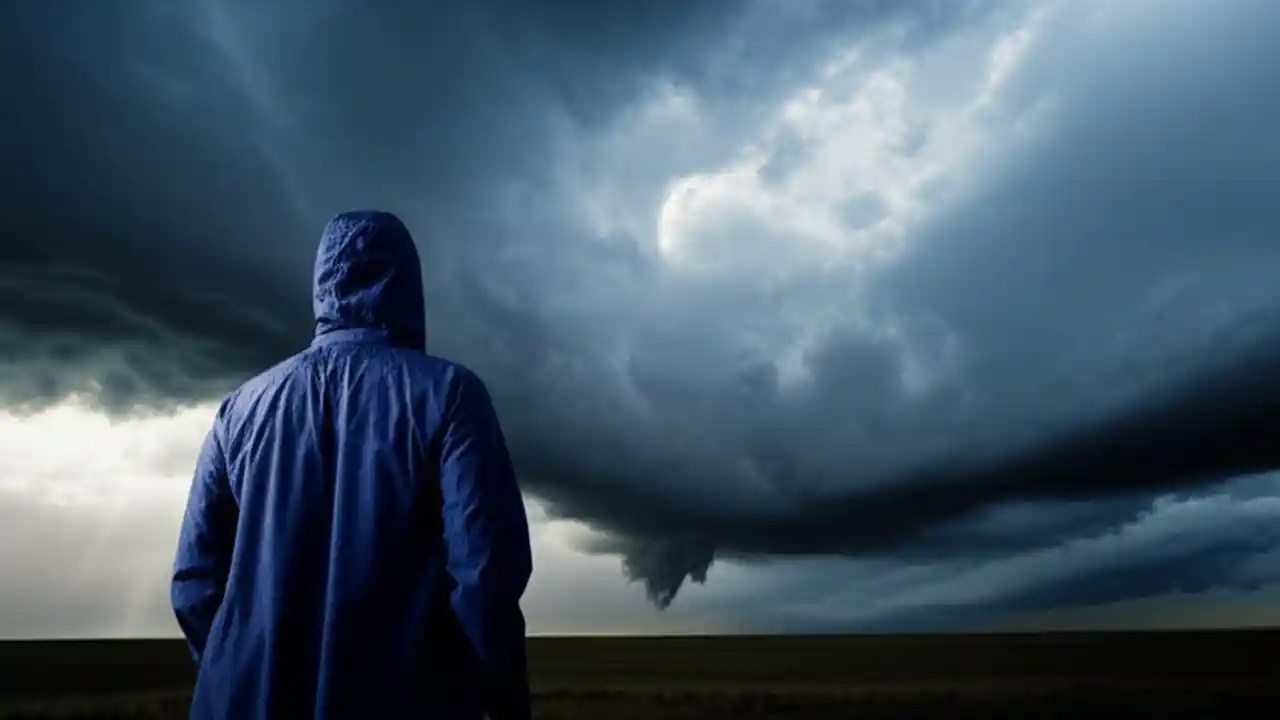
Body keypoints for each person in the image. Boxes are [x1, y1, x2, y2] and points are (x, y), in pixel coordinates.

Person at [171, 210, 532, 719]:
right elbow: (484, 577)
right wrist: (503, 703)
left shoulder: (239, 409)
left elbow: (194, 581)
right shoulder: (451, 395)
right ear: (409, 283)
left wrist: (243, 676)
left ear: (322, 285)